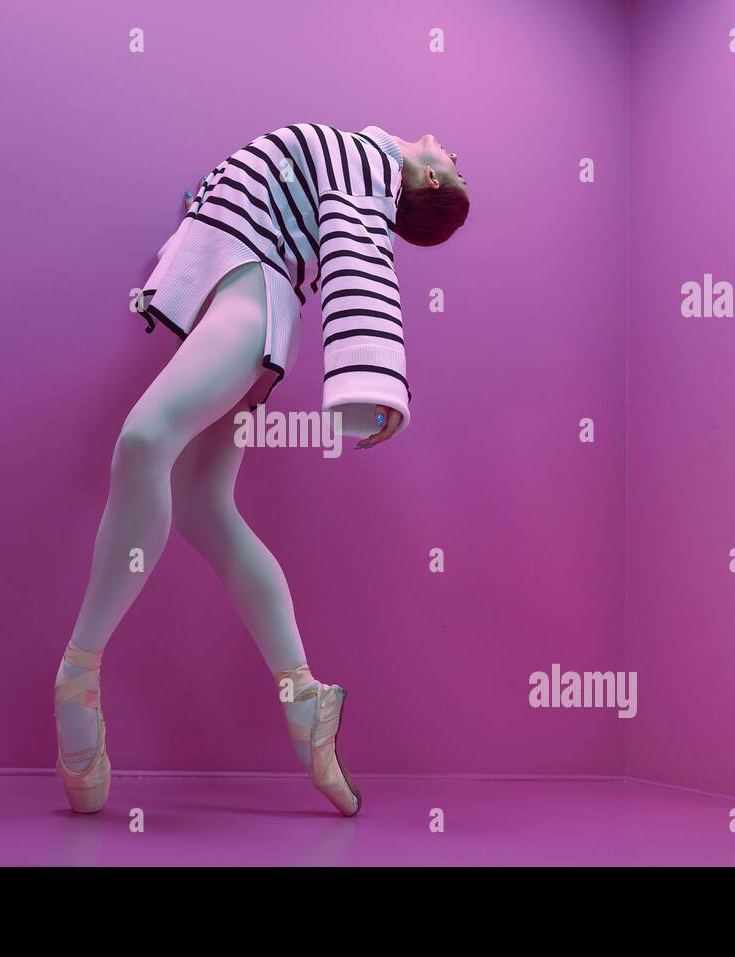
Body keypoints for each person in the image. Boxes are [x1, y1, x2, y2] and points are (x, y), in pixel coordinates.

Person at [55, 123, 470, 816]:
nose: (452, 152)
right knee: (203, 506)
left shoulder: (367, 161)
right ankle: (307, 698)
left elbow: (363, 263)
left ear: (428, 179)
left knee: (144, 441)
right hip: (244, 294)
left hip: (252, 295)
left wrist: (377, 381)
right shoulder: (355, 158)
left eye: (454, 166)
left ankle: (77, 675)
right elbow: (295, 212)